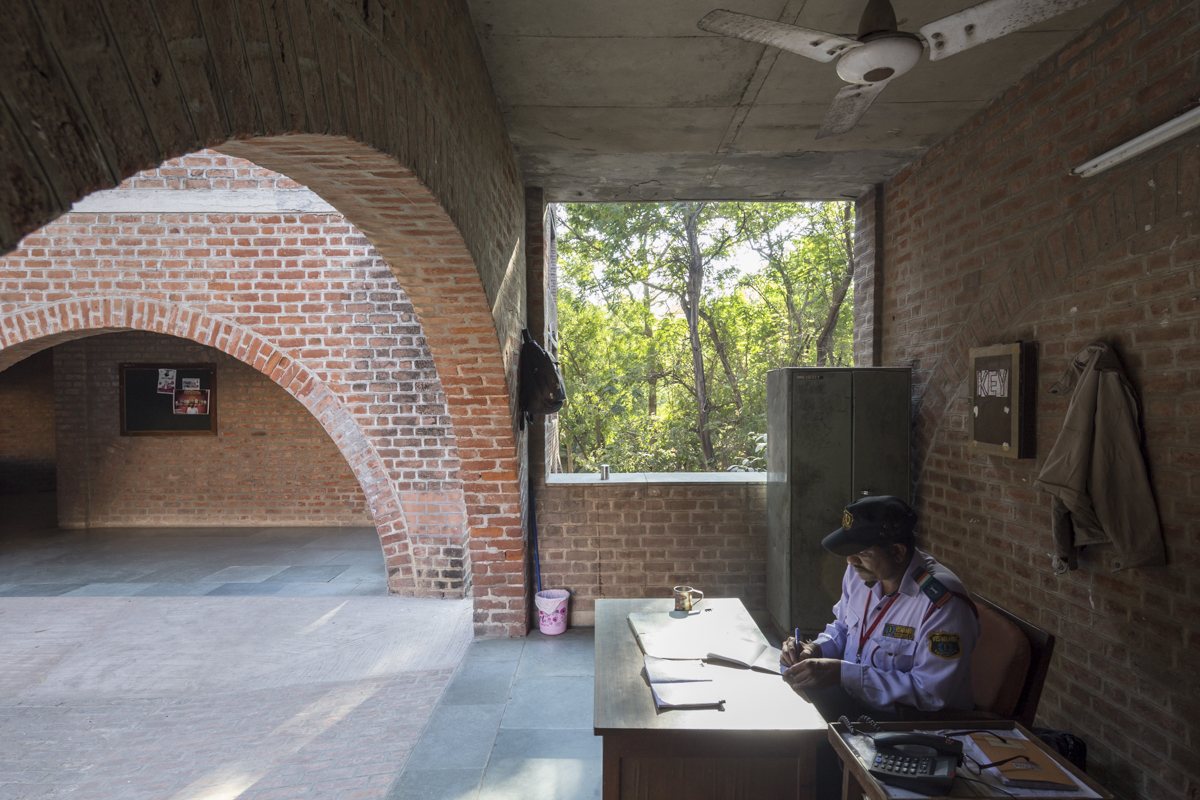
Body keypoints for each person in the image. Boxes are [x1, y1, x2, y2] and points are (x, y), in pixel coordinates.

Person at [781, 495, 980, 723]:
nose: (850, 560)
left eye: (862, 553)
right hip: (854, 704)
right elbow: (843, 627)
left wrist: (842, 674)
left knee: (806, 740)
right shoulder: (861, 572)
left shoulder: (942, 604)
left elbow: (930, 693)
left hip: (912, 723)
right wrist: (816, 648)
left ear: (897, 552)